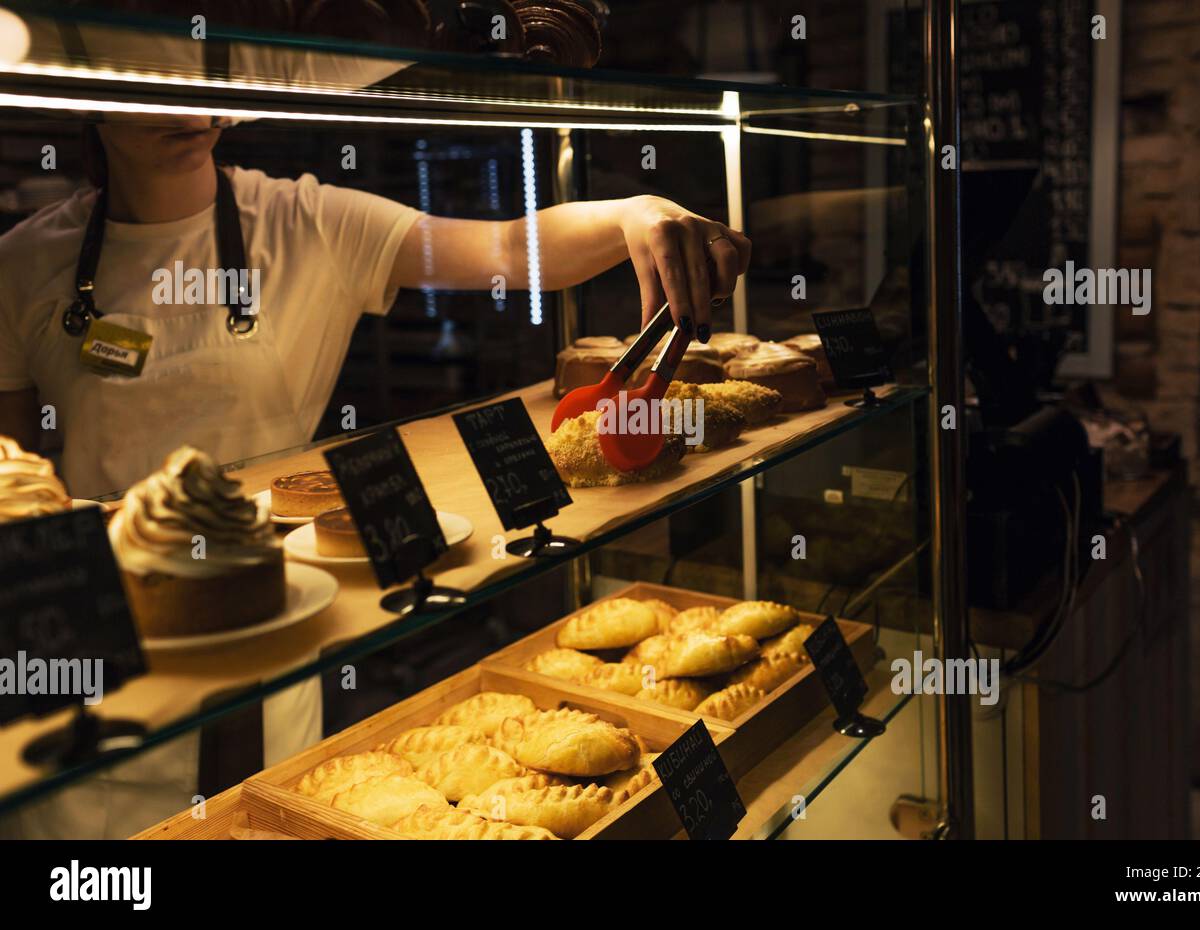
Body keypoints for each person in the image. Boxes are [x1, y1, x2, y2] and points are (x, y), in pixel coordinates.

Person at [0, 112, 750, 837]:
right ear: (92, 96)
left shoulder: (305, 221)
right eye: (153, 85)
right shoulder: (25, 260)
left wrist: (632, 212)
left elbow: (509, 249)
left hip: (276, 611)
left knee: (263, 820)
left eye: (205, 81)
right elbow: (15, 473)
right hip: (97, 651)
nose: (190, 108)